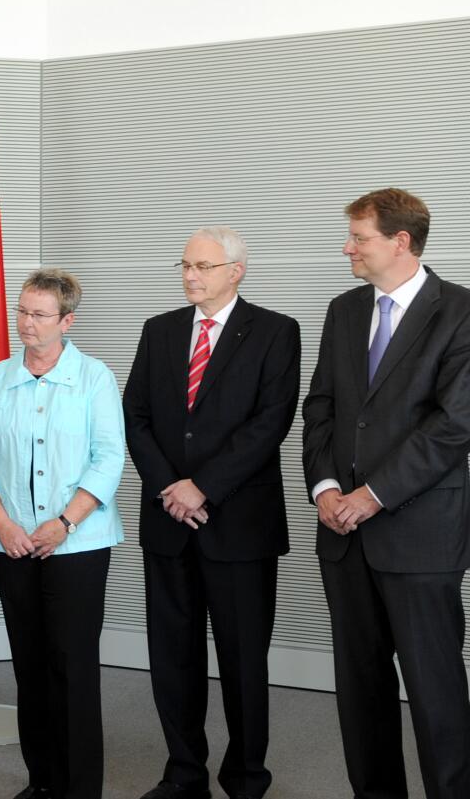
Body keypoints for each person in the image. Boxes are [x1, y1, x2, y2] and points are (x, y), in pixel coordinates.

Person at [302, 188, 470, 799]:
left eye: (359, 238)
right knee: (361, 689)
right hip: (343, 536)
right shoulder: (344, 310)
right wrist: (324, 487)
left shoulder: (460, 311)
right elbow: (320, 406)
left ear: (401, 242)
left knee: (435, 690)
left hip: (420, 535)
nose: (348, 248)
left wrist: (372, 494)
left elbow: (454, 425)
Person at [123, 227, 300, 799]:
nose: (190, 275)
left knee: (243, 661)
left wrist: (203, 486)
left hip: (239, 525)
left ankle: (247, 777)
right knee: (172, 657)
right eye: (184, 265)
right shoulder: (160, 330)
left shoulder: (276, 331)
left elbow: (270, 423)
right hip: (168, 521)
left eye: (202, 265)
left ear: (236, 271)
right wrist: (171, 486)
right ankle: (184, 773)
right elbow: (137, 416)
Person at [0, 269, 125, 799]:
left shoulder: (94, 378)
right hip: (8, 543)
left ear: (67, 321)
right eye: (22, 311)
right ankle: (43, 781)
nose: (26, 323)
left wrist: (64, 522)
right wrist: (4, 525)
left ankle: (79, 789)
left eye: (39, 314)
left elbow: (108, 460)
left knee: (72, 666)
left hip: (77, 543)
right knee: (30, 666)